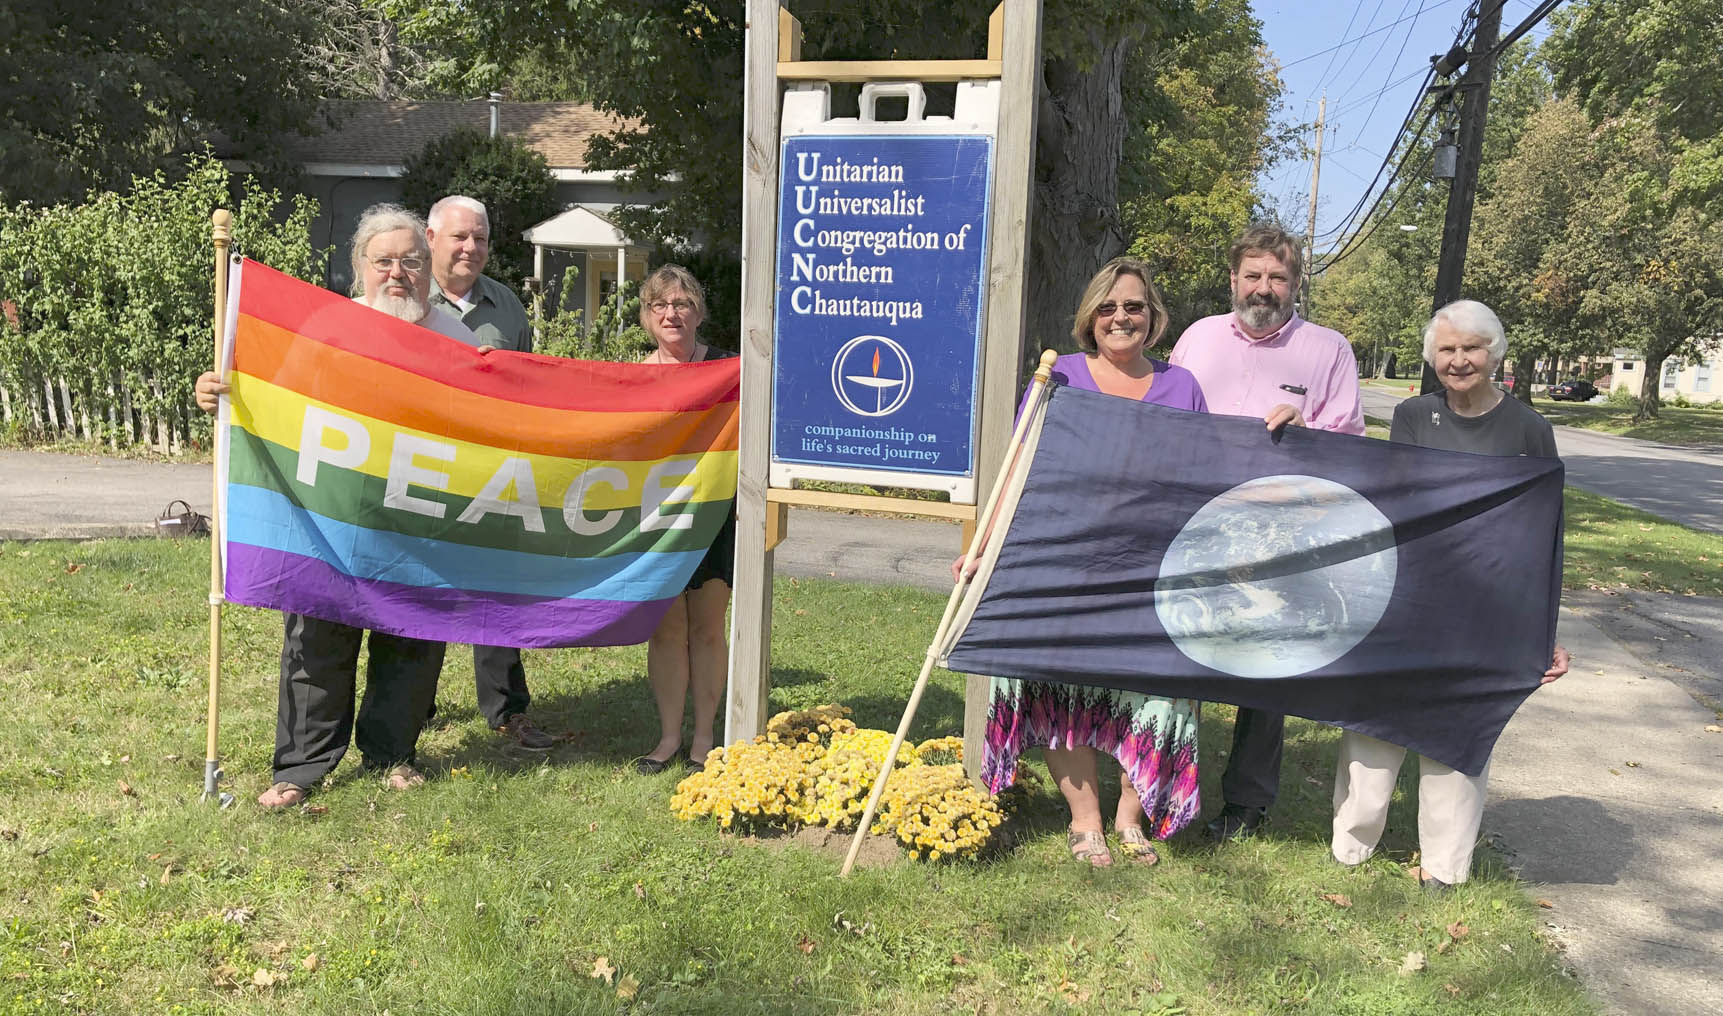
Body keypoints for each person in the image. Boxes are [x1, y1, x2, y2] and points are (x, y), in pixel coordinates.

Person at [195, 203, 477, 808]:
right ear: (360, 267)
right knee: (317, 637)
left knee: (410, 638)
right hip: (329, 515)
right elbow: (274, 393)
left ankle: (393, 753)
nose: (397, 273)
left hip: (417, 517)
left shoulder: (458, 339)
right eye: (384, 261)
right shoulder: (327, 328)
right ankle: (300, 768)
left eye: (410, 261)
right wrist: (221, 391)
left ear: (427, 268)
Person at [958, 258, 1208, 867]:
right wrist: (985, 544)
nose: (1121, 317)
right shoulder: (1060, 377)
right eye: (1108, 307)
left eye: (1134, 307)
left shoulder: (1183, 387)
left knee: (1158, 689)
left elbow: (1205, 472)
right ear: (1090, 317)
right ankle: (1085, 818)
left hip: (1151, 565)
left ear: (1153, 316)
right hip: (1066, 556)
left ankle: (1131, 817)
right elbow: (1019, 467)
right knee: (1055, 679)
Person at [1332, 299, 1571, 891]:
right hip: (1409, 594)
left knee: (1460, 724)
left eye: (1472, 348)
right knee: (1376, 716)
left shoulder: (1530, 430)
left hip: (1486, 605)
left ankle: (1443, 866)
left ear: (1495, 353)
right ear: (1432, 357)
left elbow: (1544, 531)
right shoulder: (1414, 416)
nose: (1459, 360)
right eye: (1447, 350)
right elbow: (1397, 503)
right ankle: (1351, 845)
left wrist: (1545, 630)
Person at [1168, 222, 1366, 842]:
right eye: (1252, 275)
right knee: (1181, 650)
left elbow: (1350, 444)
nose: (1263, 287)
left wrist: (1308, 429)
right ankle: (1167, 783)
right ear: (1233, 279)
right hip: (1196, 523)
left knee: (1265, 665)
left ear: (1296, 283)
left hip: (1282, 530)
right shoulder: (1197, 338)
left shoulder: (1328, 349)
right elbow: (1166, 420)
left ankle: (1247, 803)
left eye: (1277, 277)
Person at [423, 194, 552, 751]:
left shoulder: (507, 306)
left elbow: (526, 387)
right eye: (459, 236)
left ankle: (507, 710)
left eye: (480, 238)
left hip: (493, 473)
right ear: (431, 239)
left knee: (496, 594)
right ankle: (411, 705)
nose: (470, 248)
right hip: (421, 469)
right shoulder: (404, 300)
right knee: (420, 589)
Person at [631, 265, 736, 774]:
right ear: (647, 316)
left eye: (682, 303)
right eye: (660, 305)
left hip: (714, 512)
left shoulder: (728, 370)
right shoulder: (629, 378)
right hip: (655, 516)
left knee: (708, 628)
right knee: (666, 629)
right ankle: (669, 737)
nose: (671, 314)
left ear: (699, 312)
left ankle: (705, 737)